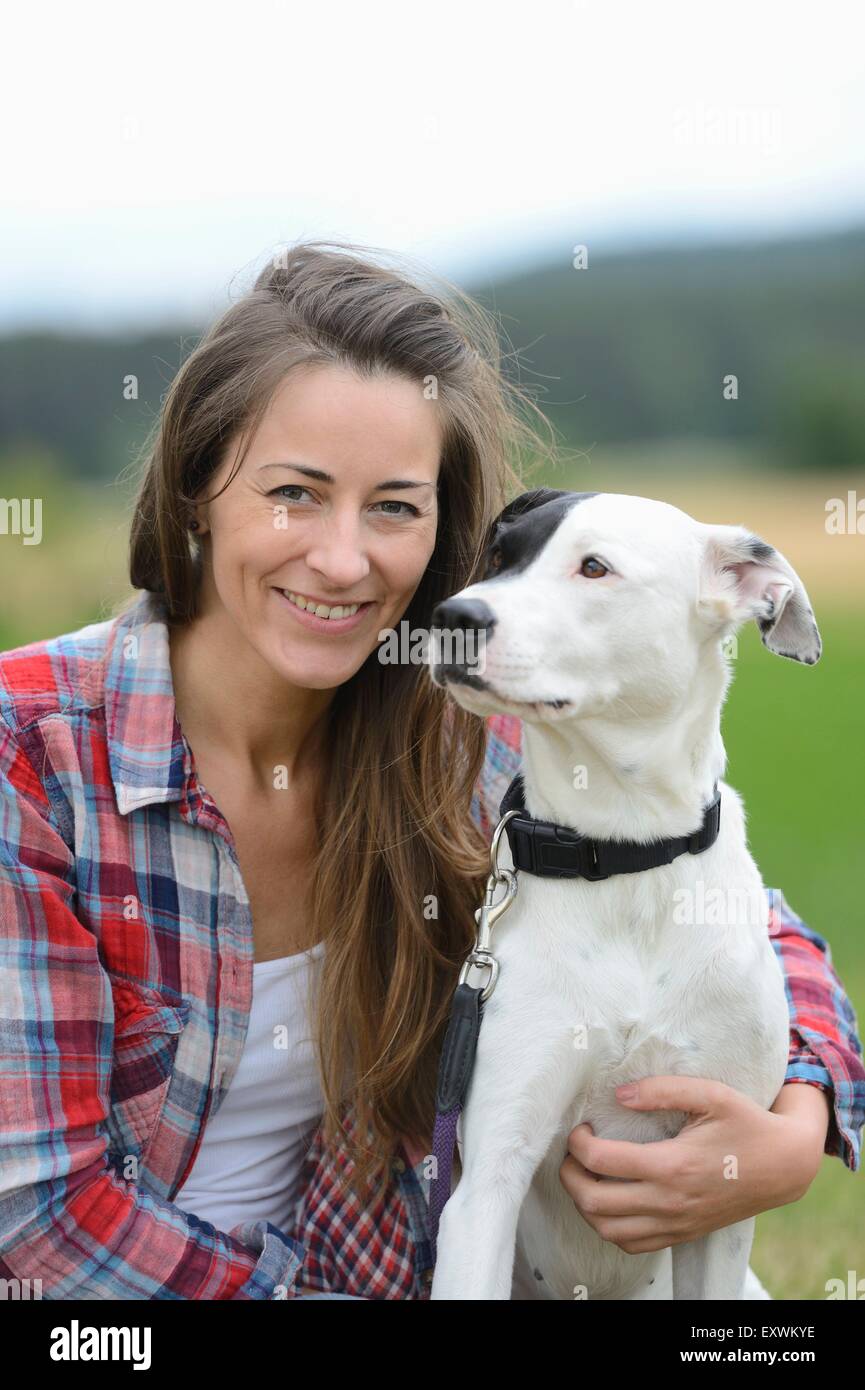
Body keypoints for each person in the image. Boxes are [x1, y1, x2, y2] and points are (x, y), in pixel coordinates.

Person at [0, 241, 862, 1301]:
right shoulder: (31, 757)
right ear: (195, 488)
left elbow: (734, 910)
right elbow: (41, 1228)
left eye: (395, 507)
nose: (343, 557)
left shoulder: (466, 730)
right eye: (294, 493)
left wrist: (793, 1121)